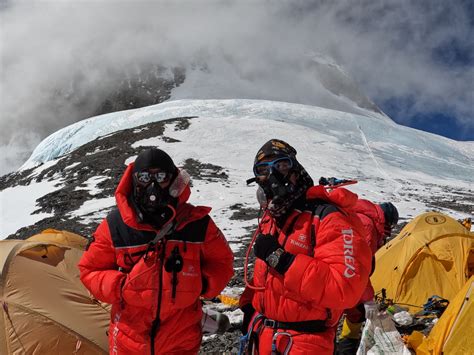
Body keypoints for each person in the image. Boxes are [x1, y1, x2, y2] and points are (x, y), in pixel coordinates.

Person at [78, 148, 234, 354]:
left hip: (181, 341)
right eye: (144, 177)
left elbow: (222, 262)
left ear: (173, 182)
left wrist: (201, 284)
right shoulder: (117, 225)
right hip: (129, 341)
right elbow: (90, 270)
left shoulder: (196, 223)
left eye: (161, 177)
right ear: (134, 181)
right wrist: (121, 287)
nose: (152, 185)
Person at [239, 139, 372, 354]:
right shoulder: (272, 219)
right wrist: (249, 308)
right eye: (263, 170)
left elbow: (345, 289)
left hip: (305, 342)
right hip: (262, 335)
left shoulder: (328, 217)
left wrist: (282, 260)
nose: (272, 176)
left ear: (296, 170)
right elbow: (264, 280)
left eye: (281, 165)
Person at [337, 199, 399, 354]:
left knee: (338, 313)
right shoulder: (368, 226)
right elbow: (359, 266)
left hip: (339, 274)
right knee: (355, 313)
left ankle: (341, 346)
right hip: (345, 277)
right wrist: (367, 298)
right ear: (386, 219)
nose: (389, 230)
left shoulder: (363, 219)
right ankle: (345, 348)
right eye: (390, 225)